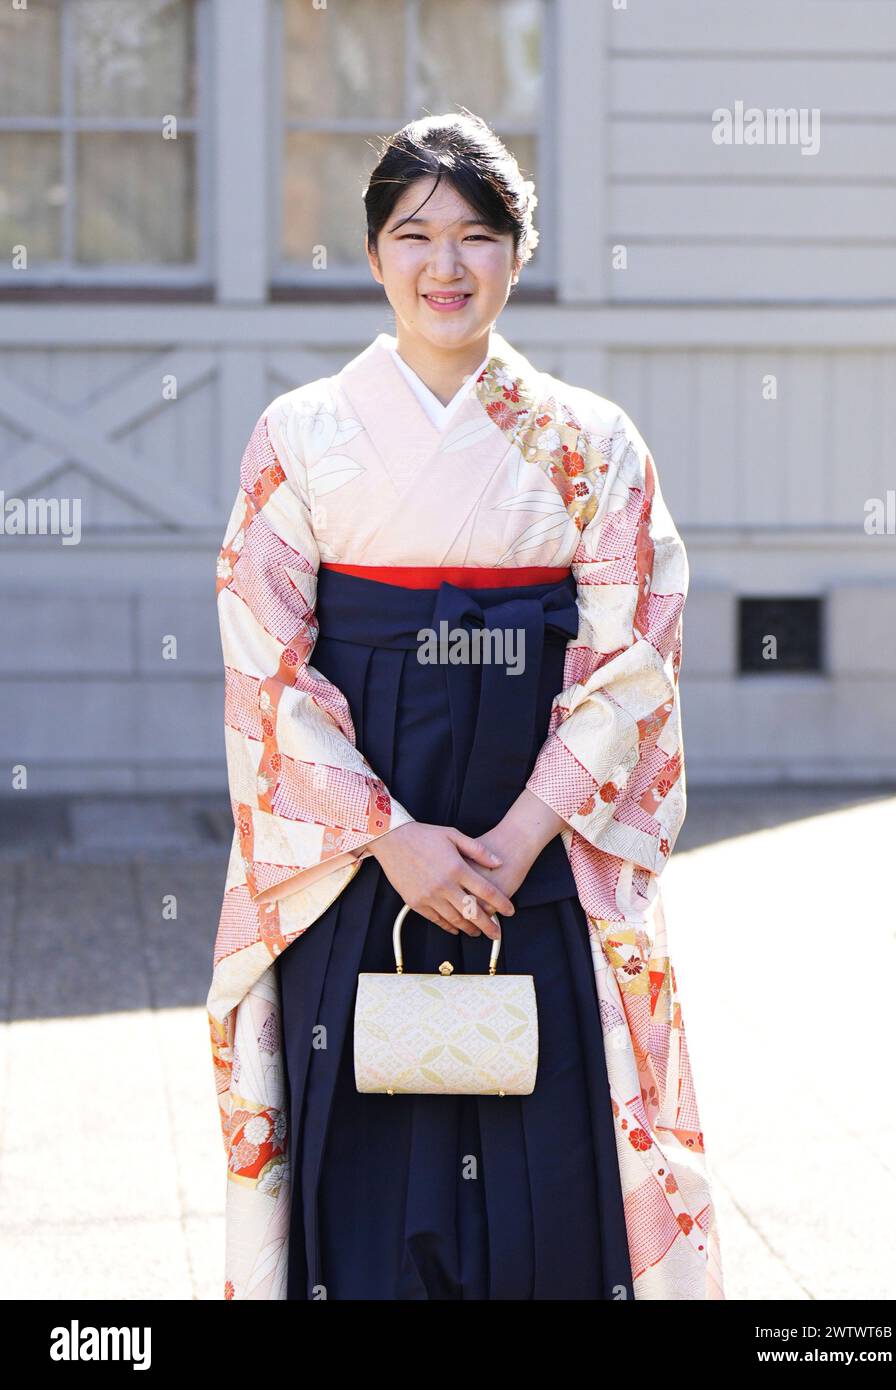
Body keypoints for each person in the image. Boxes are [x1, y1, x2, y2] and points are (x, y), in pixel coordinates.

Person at [207, 111, 724, 1301]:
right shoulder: (304, 435)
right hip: (357, 875)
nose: (448, 266)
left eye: (478, 236)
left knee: (550, 1214)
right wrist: (391, 836)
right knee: (366, 1212)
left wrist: (525, 831)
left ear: (518, 251)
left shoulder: (594, 443)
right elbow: (266, 658)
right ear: (376, 253)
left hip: (530, 866)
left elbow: (632, 656)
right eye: (415, 234)